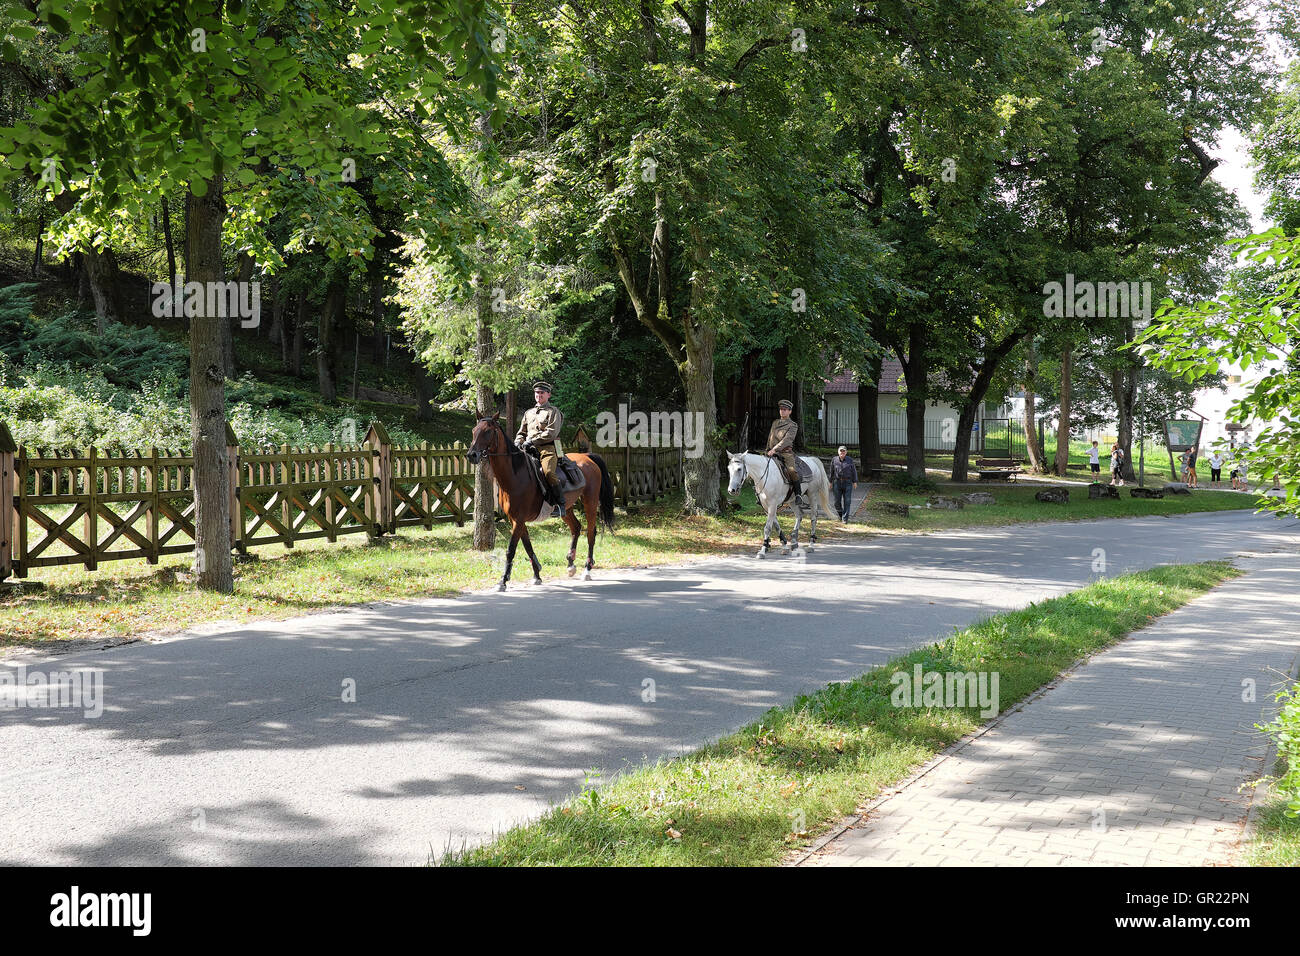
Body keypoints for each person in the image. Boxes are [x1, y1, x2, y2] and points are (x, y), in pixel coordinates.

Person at [515, 381, 566, 517]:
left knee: (548, 472)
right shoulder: (528, 413)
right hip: (527, 449)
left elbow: (551, 433)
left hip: (547, 448)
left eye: (542, 393)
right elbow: (522, 432)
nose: (539, 395)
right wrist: (518, 441)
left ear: (548, 395)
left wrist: (532, 441)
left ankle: (561, 505)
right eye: (537, 392)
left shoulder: (553, 412)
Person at [765, 399, 806, 508]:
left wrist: (775, 449)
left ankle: (798, 494)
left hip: (785, 453)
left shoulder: (792, 425)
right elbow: (770, 437)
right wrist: (767, 450)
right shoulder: (775, 423)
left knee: (792, 471)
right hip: (771, 452)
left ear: (790, 412)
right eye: (781, 409)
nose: (782, 411)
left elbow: (787, 440)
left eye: (785, 410)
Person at [829, 445, 858, 522]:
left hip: (848, 482)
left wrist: (854, 481)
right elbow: (831, 471)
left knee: (847, 501)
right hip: (837, 482)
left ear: (846, 452)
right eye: (841, 451)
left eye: (844, 451)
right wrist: (830, 482)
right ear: (838, 452)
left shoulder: (850, 460)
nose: (842, 452)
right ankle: (841, 514)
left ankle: (845, 519)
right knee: (836, 502)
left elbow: (854, 471)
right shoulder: (834, 460)